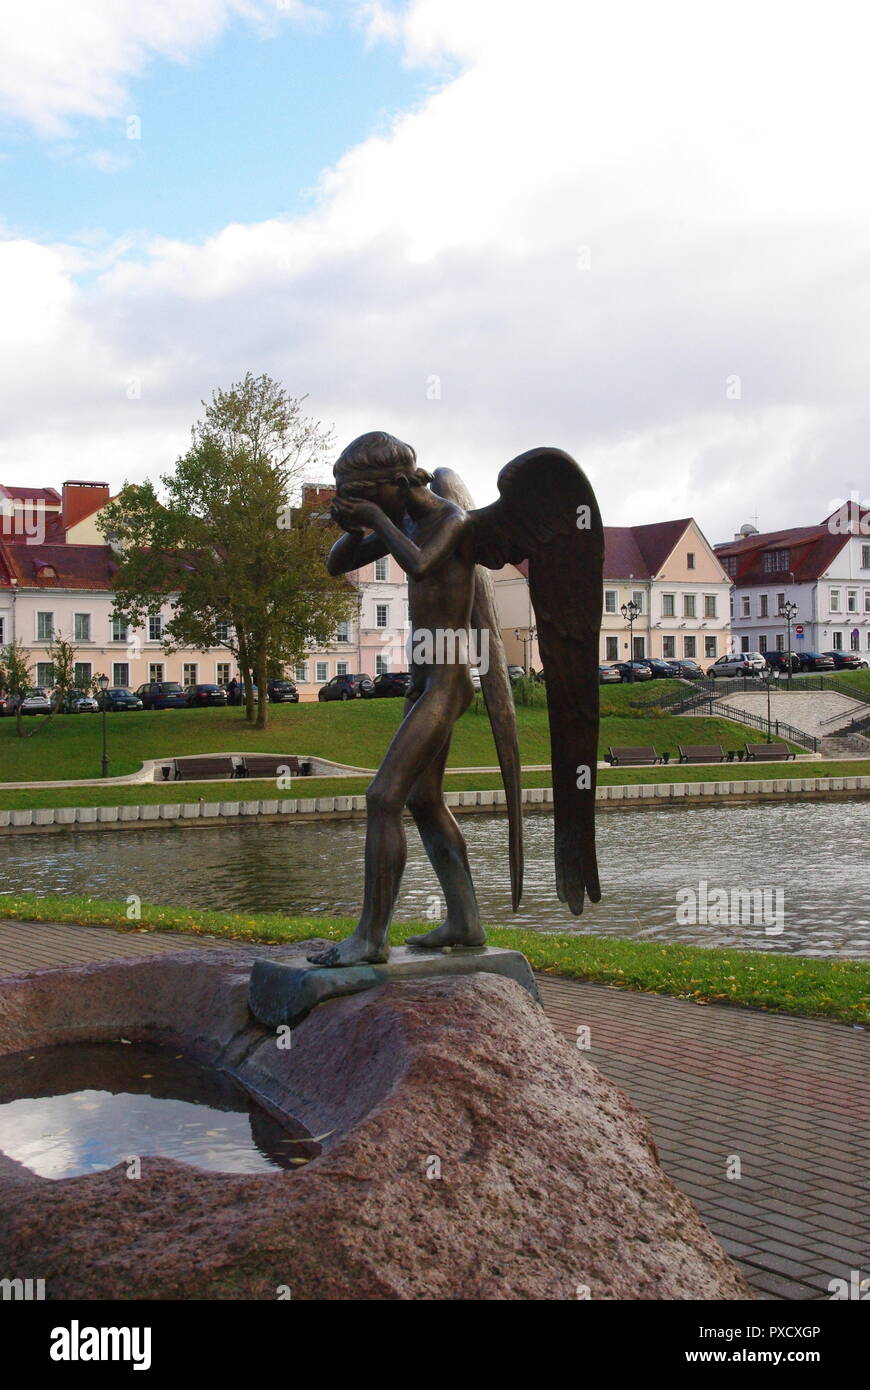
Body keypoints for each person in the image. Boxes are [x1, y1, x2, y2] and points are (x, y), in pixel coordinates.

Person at [307, 431, 484, 967]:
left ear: (394, 485)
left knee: (383, 796)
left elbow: (423, 565)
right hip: (422, 679)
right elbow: (338, 565)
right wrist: (356, 525)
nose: (362, 505)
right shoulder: (398, 521)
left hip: (449, 680)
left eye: (363, 494)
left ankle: (370, 938)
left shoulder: (450, 519)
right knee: (423, 801)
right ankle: (465, 922)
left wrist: (380, 522)